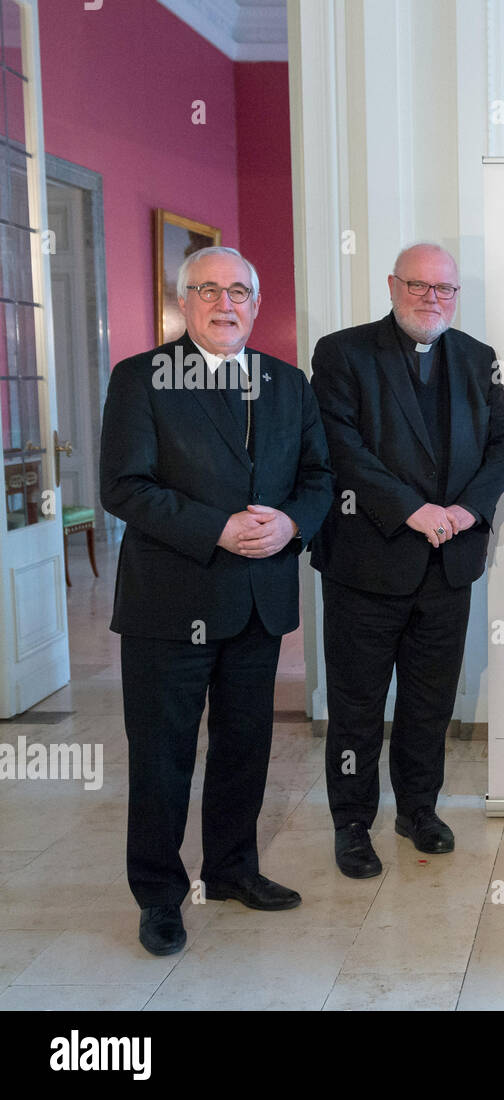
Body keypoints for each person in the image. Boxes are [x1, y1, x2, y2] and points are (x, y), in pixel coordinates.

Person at [100, 246, 333, 956]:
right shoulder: (141, 379)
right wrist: (218, 528)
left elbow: (321, 477)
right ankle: (160, 897)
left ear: (256, 306)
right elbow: (125, 487)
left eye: (238, 290)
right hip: (170, 602)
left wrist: (292, 522)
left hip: (258, 602)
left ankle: (232, 870)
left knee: (243, 748)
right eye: (207, 290)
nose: (224, 302)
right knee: (164, 756)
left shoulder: (288, 383)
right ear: (185, 302)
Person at [310, 243, 504, 878]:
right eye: (420, 286)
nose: (433, 299)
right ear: (393, 284)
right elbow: (339, 445)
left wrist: (465, 512)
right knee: (357, 705)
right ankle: (351, 823)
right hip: (366, 564)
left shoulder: (478, 359)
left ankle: (418, 810)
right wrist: (411, 509)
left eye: (445, 289)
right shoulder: (342, 353)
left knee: (430, 701)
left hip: (448, 563)